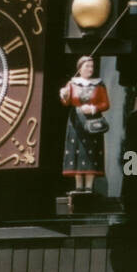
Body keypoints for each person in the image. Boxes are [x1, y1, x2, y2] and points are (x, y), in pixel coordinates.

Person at [59, 56, 109, 193]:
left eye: (92, 66)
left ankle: (89, 186)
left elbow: (106, 104)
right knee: (77, 150)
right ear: (79, 68)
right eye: (87, 66)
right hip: (76, 122)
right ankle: (79, 186)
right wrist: (63, 95)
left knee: (90, 152)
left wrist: (93, 108)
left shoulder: (99, 84)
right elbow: (67, 102)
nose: (90, 69)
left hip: (92, 123)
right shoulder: (72, 84)